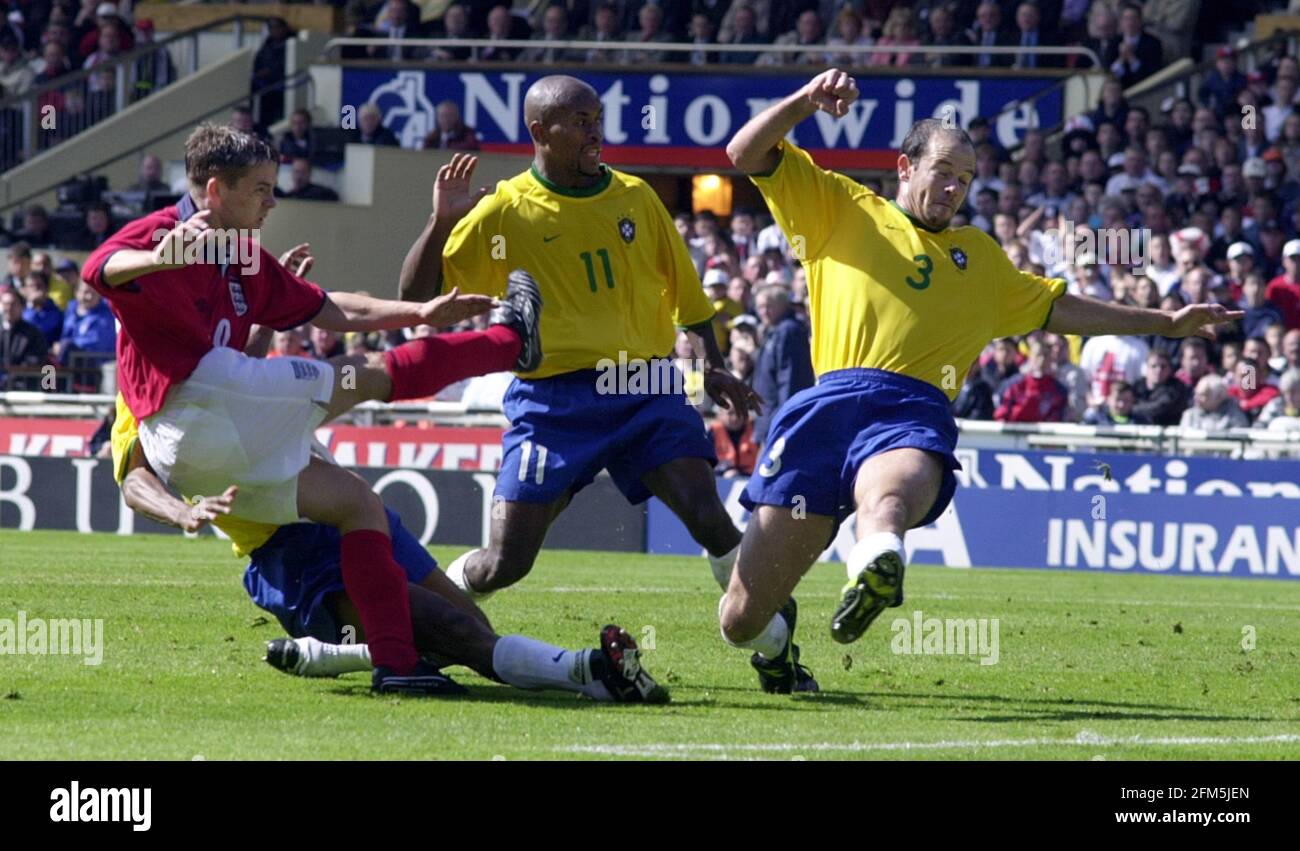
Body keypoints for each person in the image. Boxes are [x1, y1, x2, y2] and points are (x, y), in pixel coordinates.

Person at [719, 68, 1240, 670]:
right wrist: (806, 101)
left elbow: (1061, 308)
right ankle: (778, 640)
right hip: (826, 406)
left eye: (964, 179)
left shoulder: (982, 259)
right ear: (906, 168)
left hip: (909, 410)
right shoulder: (839, 206)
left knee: (887, 499)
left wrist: (1165, 323)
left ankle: (877, 566)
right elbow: (744, 151)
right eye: (943, 172)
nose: (953, 189)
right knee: (740, 619)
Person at [81, 122, 542, 696]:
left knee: (365, 509)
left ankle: (394, 667)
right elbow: (100, 267)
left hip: (231, 442)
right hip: (206, 436)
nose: (274, 201)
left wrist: (418, 314)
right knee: (362, 375)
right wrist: (156, 258)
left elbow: (330, 308)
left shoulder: (242, 257)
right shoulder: (169, 233)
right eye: (261, 189)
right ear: (217, 190)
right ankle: (510, 342)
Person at [397, 78, 813, 695]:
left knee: (706, 516)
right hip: (553, 400)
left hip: (645, 387)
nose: (596, 130)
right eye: (580, 121)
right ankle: (416, 614)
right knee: (504, 563)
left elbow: (688, 298)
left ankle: (774, 645)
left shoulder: (636, 198)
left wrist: (711, 364)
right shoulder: (505, 209)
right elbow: (414, 299)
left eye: (597, 117)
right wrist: (440, 222)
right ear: (540, 132)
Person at [110, 377, 666, 703]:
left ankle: (343, 655)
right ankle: (594, 671)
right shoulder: (141, 385)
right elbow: (135, 478)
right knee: (452, 632)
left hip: (360, 516)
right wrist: (181, 512)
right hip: (294, 550)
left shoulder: (217, 333)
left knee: (472, 631)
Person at [751, 282, 814, 445]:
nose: (763, 312)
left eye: (768, 306)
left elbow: (790, 379)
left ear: (783, 305)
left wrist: (782, 421)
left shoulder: (788, 331)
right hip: (768, 420)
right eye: (760, 307)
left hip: (780, 424)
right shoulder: (773, 331)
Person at [0, 287, 47, 390]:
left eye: (13, 304)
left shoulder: (33, 334)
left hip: (22, 386)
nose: (9, 308)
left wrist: (10, 378)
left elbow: (34, 361)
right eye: (5, 304)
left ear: (22, 307)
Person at [274, 157, 339, 202]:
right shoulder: (289, 195)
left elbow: (334, 197)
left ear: (309, 174)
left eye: (303, 172)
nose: (299, 176)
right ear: (292, 173)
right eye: (296, 172)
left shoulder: (319, 193)